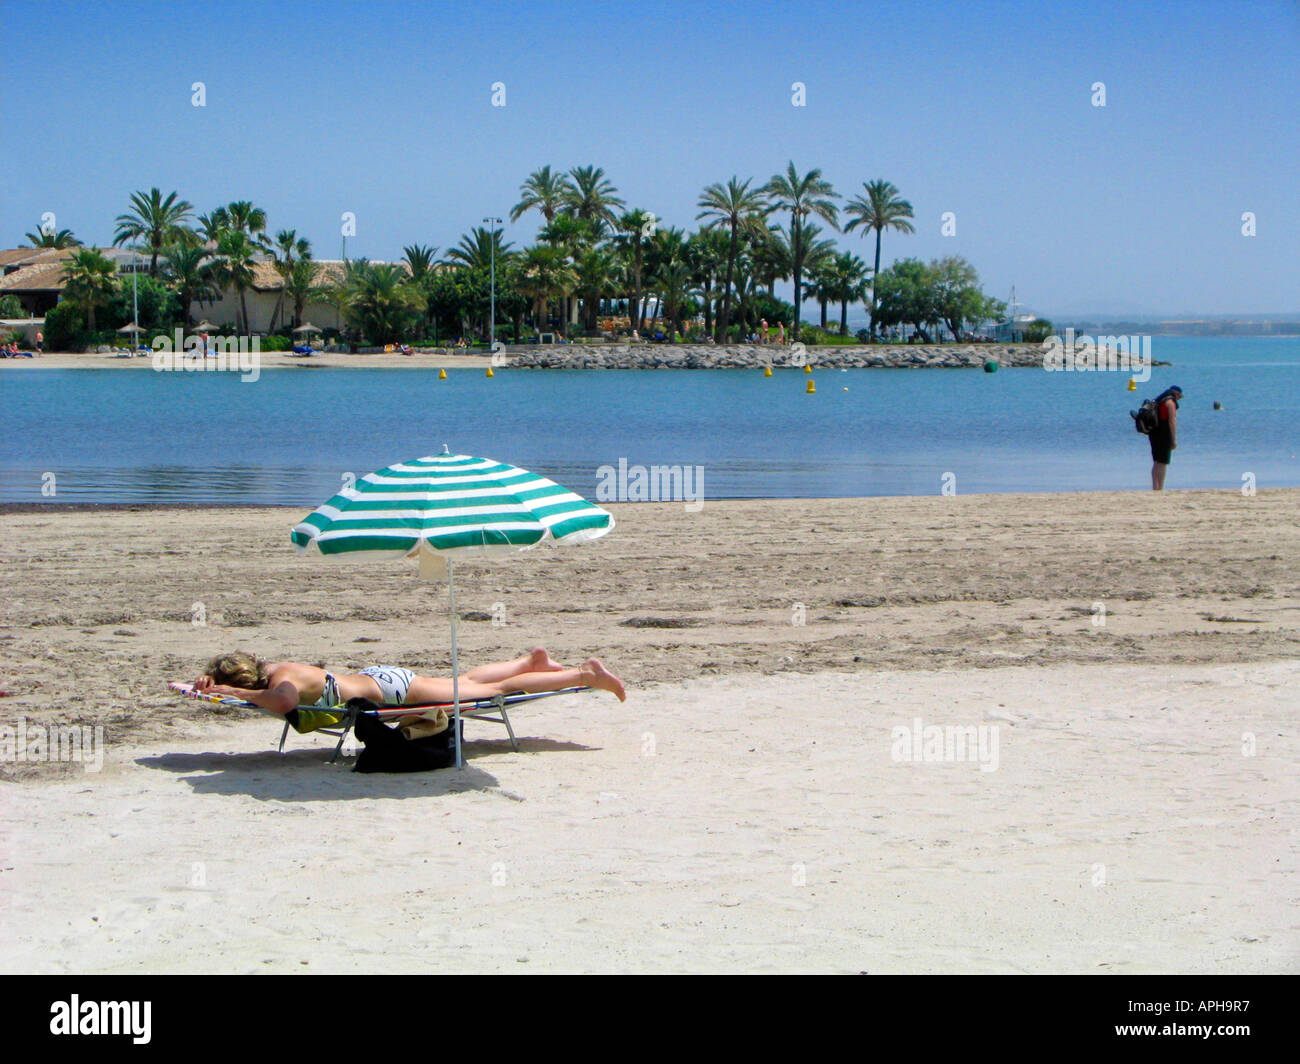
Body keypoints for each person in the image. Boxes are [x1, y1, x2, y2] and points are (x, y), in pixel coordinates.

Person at [193, 646, 627, 717]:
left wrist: (230, 691)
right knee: (465, 681)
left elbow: (284, 704)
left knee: (492, 693)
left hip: (391, 691)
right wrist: (214, 681)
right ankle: (529, 660)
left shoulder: (282, 681)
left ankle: (583, 674)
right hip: (380, 679)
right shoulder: (281, 667)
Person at [1149, 384, 1182, 491]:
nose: (1179, 399)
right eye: (1180, 396)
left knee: (1156, 462)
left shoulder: (1159, 402)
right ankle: (1161, 488)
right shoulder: (1170, 403)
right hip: (1164, 433)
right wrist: (1174, 439)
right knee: (1163, 462)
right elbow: (1172, 422)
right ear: (1176, 394)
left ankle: (1155, 487)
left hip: (1154, 433)